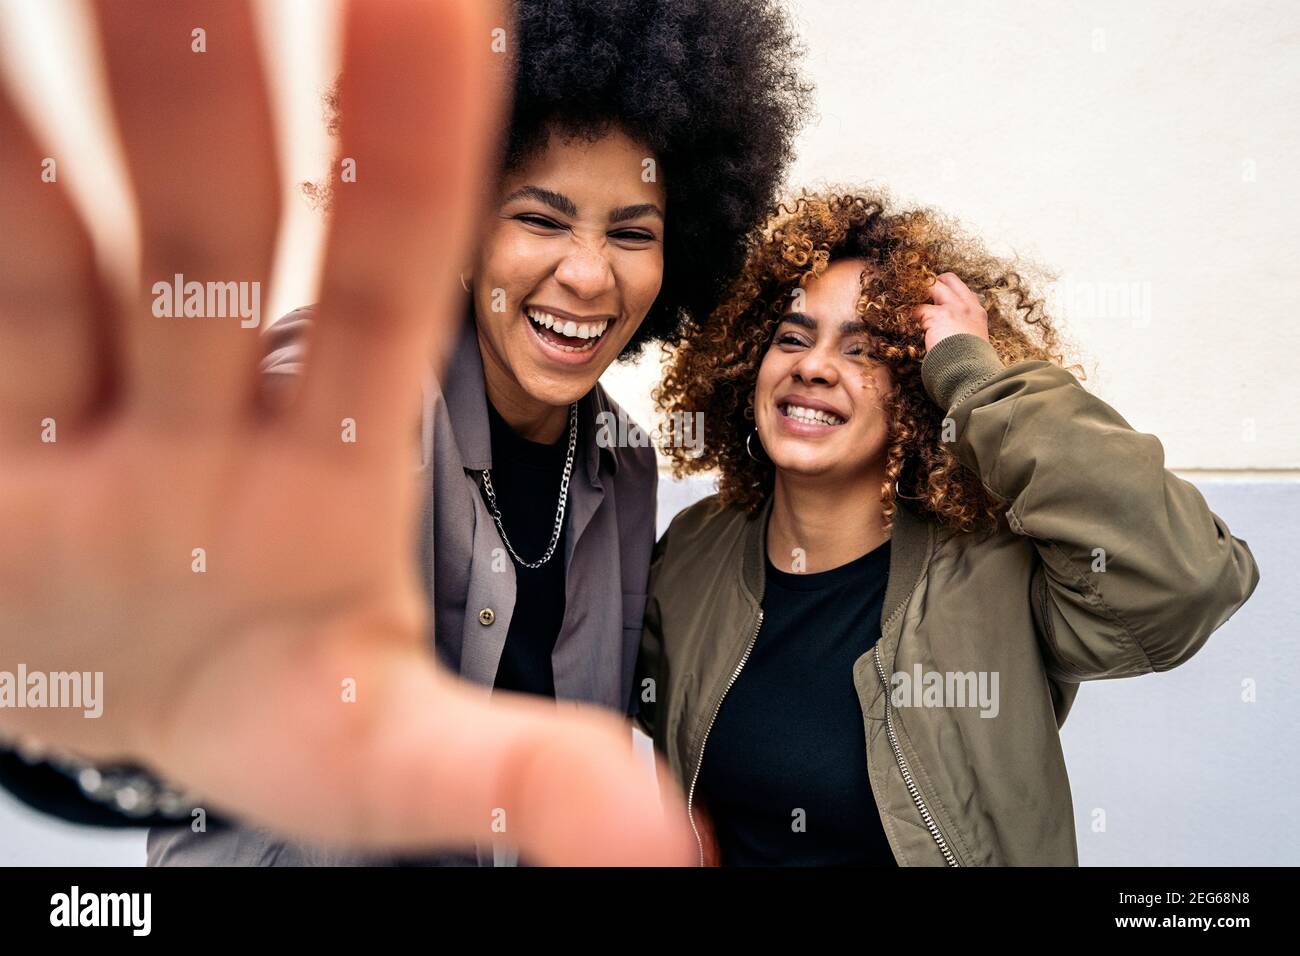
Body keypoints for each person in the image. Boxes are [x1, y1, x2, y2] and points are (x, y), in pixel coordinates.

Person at [0, 0, 802, 866]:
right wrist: (105, 734)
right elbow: (155, 661)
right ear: (464, 226)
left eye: (632, 234)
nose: (586, 273)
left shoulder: (627, 461)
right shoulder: (323, 402)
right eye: (540, 218)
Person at [635, 190, 1260, 866]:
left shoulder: (1000, 567)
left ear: (914, 391)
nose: (813, 366)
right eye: (792, 337)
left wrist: (976, 382)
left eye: (864, 350)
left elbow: (1189, 580)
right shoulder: (697, 550)